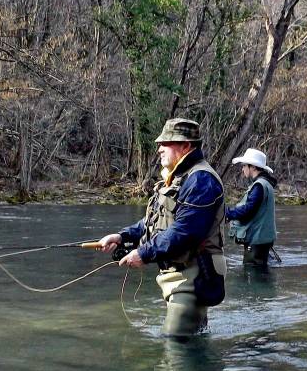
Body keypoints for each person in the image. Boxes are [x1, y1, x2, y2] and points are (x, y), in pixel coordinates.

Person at [97, 118, 226, 339]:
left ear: (186, 146)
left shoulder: (201, 180)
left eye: (165, 143)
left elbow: (185, 231)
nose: (159, 149)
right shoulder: (178, 178)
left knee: (175, 349)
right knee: (190, 344)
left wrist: (143, 253)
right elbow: (154, 221)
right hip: (180, 277)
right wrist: (122, 236)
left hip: (195, 276)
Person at [225, 148, 277, 266]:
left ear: (253, 167)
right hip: (261, 239)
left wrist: (226, 213)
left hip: (257, 240)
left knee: (253, 272)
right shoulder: (265, 183)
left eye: (244, 166)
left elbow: (248, 210)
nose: (242, 169)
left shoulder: (259, 185)